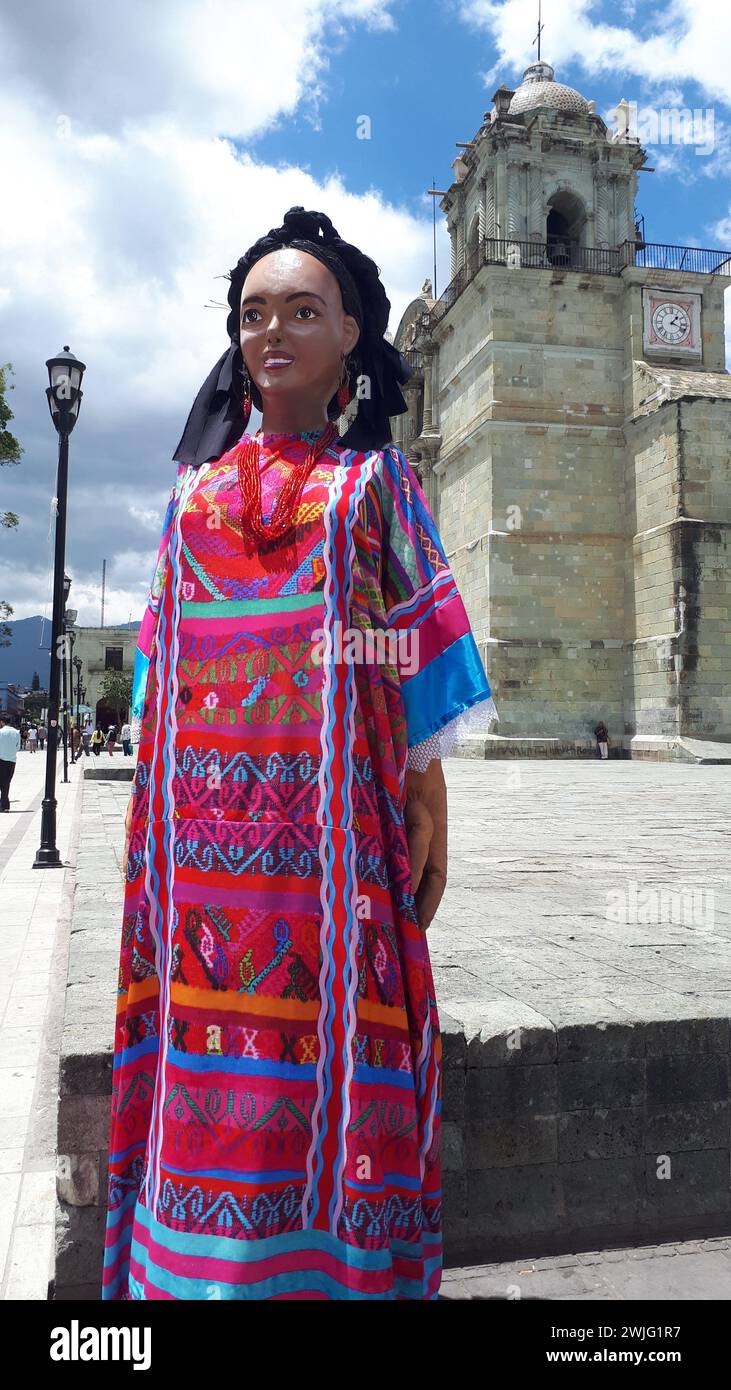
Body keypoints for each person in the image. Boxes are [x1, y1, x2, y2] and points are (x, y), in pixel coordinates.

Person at [102, 206, 498, 1303]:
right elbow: (161, 679)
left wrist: (428, 796)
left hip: (331, 872)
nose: (272, 329)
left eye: (301, 310)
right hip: (198, 878)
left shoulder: (375, 489)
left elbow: (405, 651)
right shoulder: (188, 503)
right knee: (206, 1094)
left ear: (351, 337)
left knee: (328, 1078)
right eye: (253, 312)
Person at [0, 716, 21, 811]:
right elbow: (18, 748)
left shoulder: (1, 732)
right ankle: (5, 804)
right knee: (6, 782)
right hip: (12, 760)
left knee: (3, 783)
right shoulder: (16, 732)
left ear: (2, 722)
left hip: (1, 759)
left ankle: (4, 804)